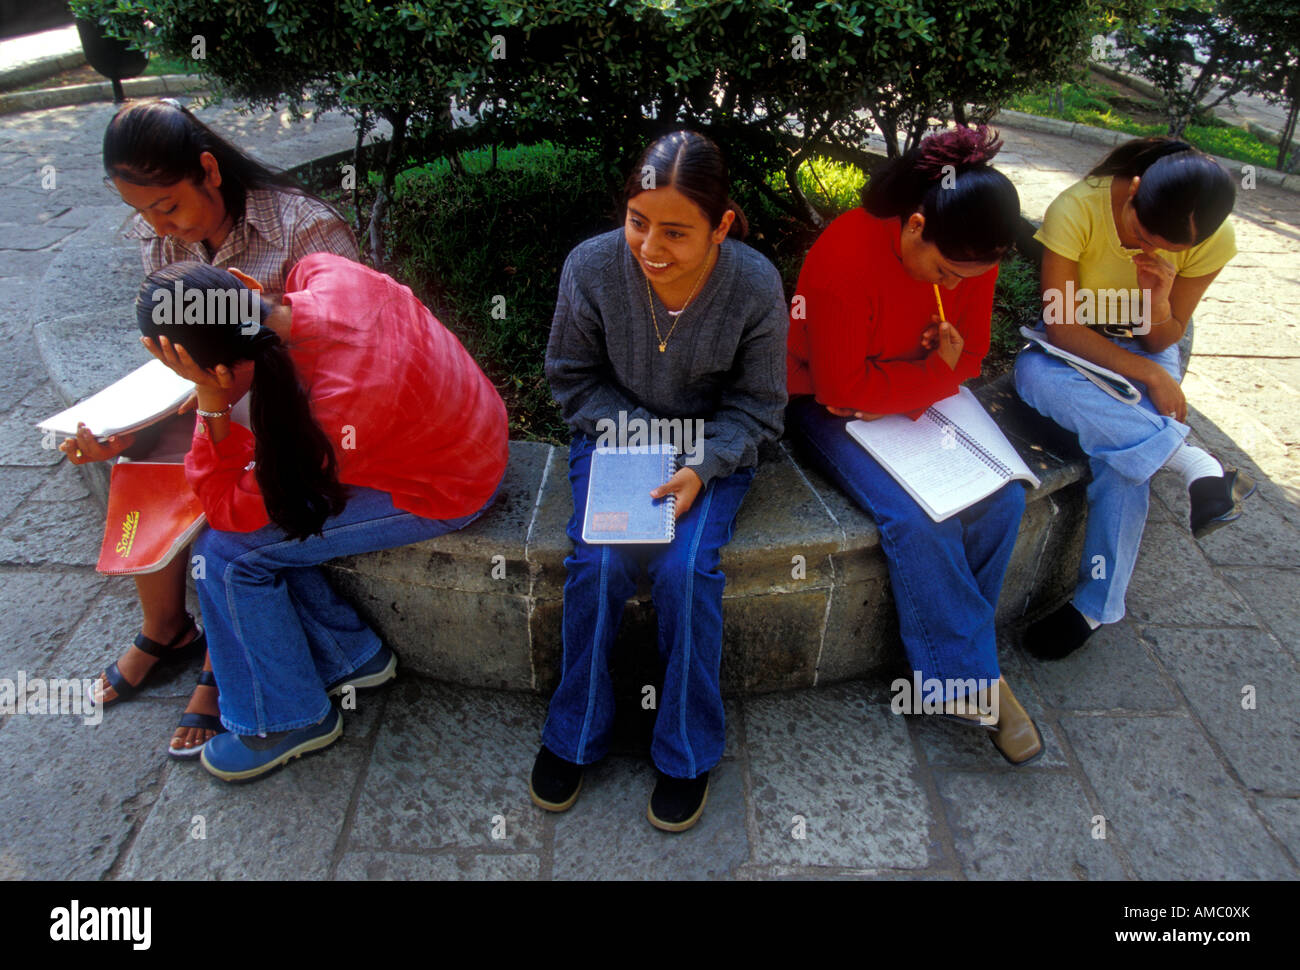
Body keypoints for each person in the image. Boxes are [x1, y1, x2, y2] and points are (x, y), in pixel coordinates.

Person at [135, 254, 508, 781]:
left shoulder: (334, 412)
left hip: (450, 485)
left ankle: (287, 719)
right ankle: (351, 657)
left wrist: (211, 402)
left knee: (224, 555)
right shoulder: (329, 273)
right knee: (259, 533)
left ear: (215, 370)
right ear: (243, 283)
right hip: (467, 428)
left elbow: (228, 509)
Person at [64, 99, 359, 758]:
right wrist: (125, 427)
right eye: (142, 213)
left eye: (166, 206)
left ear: (207, 170)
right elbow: (178, 353)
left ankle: (216, 661)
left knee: (219, 481)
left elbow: (349, 347)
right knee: (139, 451)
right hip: (217, 393)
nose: (156, 226)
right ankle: (166, 627)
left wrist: (218, 403)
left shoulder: (306, 228)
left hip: (301, 415)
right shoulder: (161, 238)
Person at [530, 131, 788, 831]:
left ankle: (685, 750)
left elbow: (761, 407)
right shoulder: (590, 267)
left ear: (721, 226)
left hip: (713, 454)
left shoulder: (755, 283)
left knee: (686, 573)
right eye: (639, 221)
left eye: (677, 232)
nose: (650, 247)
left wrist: (701, 466)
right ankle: (575, 731)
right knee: (599, 562)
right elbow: (572, 379)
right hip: (617, 441)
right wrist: (642, 441)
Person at [785, 126, 1042, 764]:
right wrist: (930, 375)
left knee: (1004, 499)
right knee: (915, 516)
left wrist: (905, 383)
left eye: (971, 276)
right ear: (915, 224)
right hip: (817, 405)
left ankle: (957, 663)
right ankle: (976, 682)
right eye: (946, 272)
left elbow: (973, 355)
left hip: (904, 400)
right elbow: (839, 389)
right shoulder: (846, 253)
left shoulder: (971, 252)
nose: (955, 287)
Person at [1015, 137, 1248, 659]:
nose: (1155, 249)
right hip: (1075, 344)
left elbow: (1162, 338)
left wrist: (1157, 298)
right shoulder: (1077, 208)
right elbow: (1063, 326)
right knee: (1033, 375)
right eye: (1145, 233)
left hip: (1145, 339)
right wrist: (1149, 375)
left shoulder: (1216, 238)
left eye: (1174, 248)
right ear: (1136, 190)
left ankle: (1096, 607)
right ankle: (1194, 462)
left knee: (1120, 456)